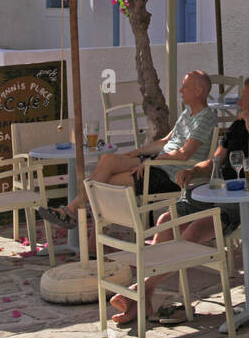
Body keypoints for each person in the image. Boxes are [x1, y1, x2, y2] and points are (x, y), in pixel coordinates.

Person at [107, 76, 249, 325]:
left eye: (244, 98)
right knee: (167, 220)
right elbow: (215, 161)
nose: (238, 102)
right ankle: (147, 295)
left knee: (196, 229)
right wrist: (195, 171)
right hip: (216, 192)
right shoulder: (237, 127)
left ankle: (141, 290)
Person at [37, 71, 217, 227]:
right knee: (108, 160)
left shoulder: (205, 117)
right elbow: (165, 141)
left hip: (172, 173)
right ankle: (71, 211)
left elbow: (184, 154)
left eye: (184, 87)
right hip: (159, 163)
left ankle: (78, 220)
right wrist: (138, 152)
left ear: (199, 90)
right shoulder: (188, 114)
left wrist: (150, 162)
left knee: (104, 183)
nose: (180, 90)